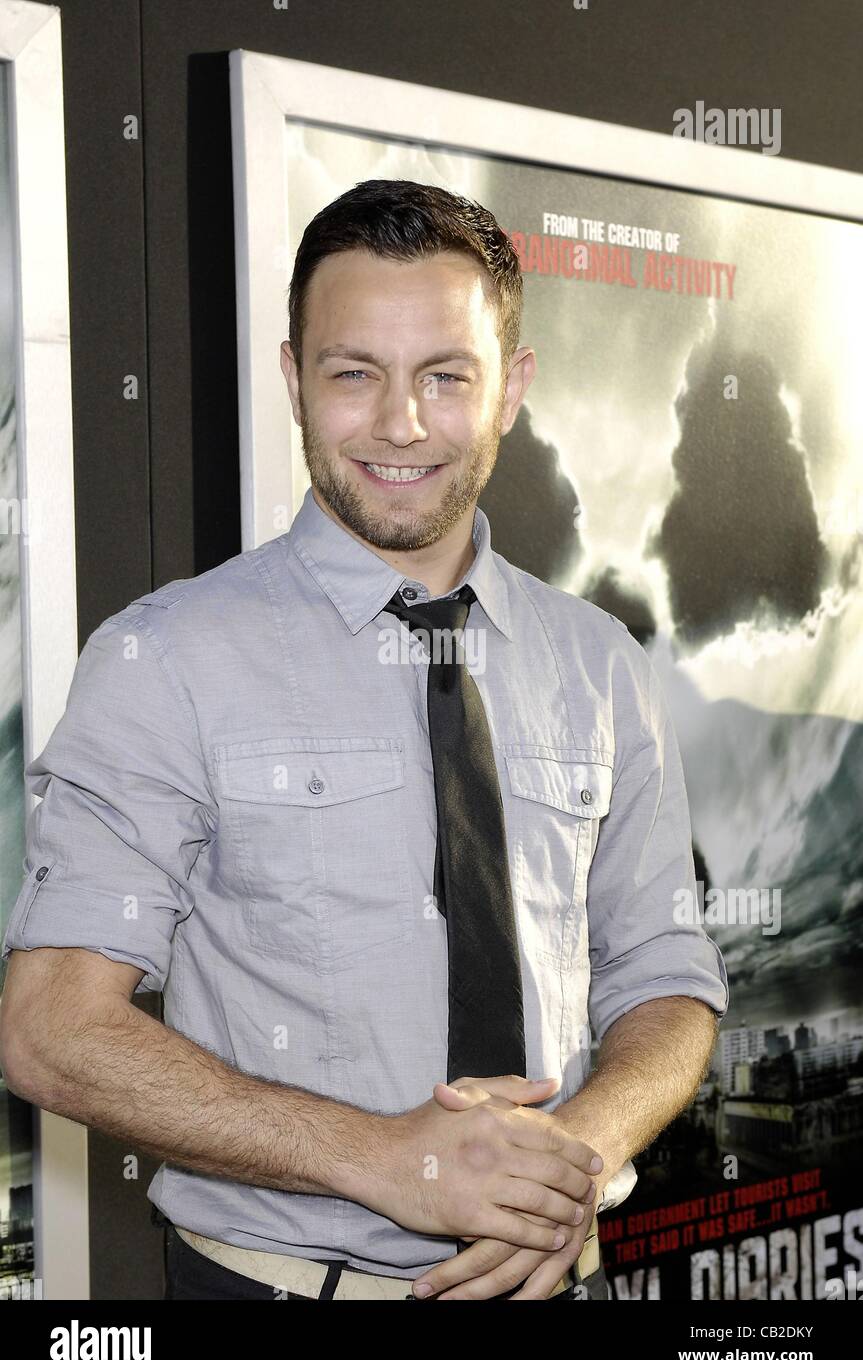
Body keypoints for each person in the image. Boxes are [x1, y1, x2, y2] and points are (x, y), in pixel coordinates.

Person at [0, 179, 728, 1301]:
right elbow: (51, 1027)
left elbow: (668, 980)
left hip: (555, 1279)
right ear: (293, 377)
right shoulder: (166, 660)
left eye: (446, 376)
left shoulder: (600, 665)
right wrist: (387, 1157)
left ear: (510, 390)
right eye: (353, 374)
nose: (400, 423)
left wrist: (566, 1160)